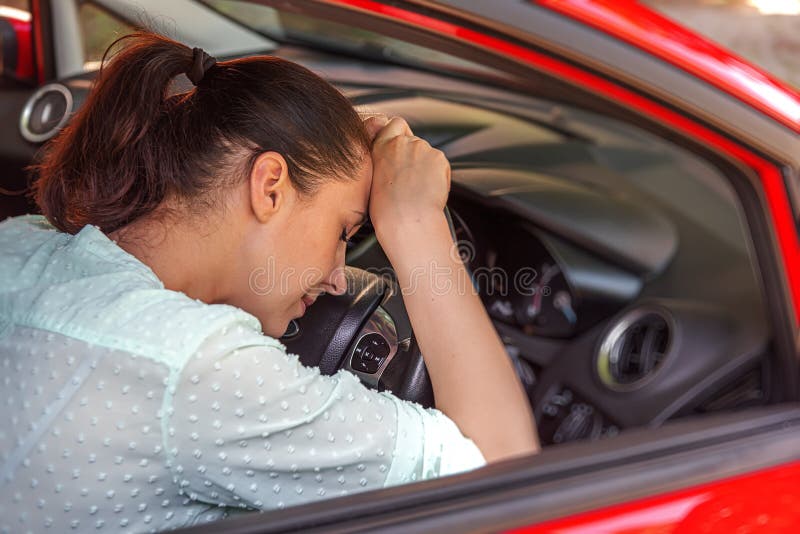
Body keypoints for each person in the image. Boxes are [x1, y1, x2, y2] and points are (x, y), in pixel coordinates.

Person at [0, 32, 538, 532]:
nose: (336, 278)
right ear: (271, 186)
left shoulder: (23, 243)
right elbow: (504, 478)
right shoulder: (193, 365)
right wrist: (416, 224)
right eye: (344, 230)